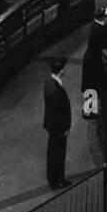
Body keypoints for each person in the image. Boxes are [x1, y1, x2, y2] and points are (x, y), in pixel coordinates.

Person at [81, 6, 107, 115]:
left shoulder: (95, 25)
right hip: (92, 61)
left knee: (92, 86)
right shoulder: (100, 29)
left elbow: (106, 28)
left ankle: (89, 110)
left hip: (91, 59)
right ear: (105, 17)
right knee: (92, 86)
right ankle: (88, 112)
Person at [42, 57, 71, 189]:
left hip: (51, 125)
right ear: (61, 71)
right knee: (58, 154)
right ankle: (57, 180)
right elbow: (60, 112)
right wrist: (65, 128)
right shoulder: (56, 90)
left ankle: (53, 178)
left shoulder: (49, 82)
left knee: (53, 153)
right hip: (58, 127)